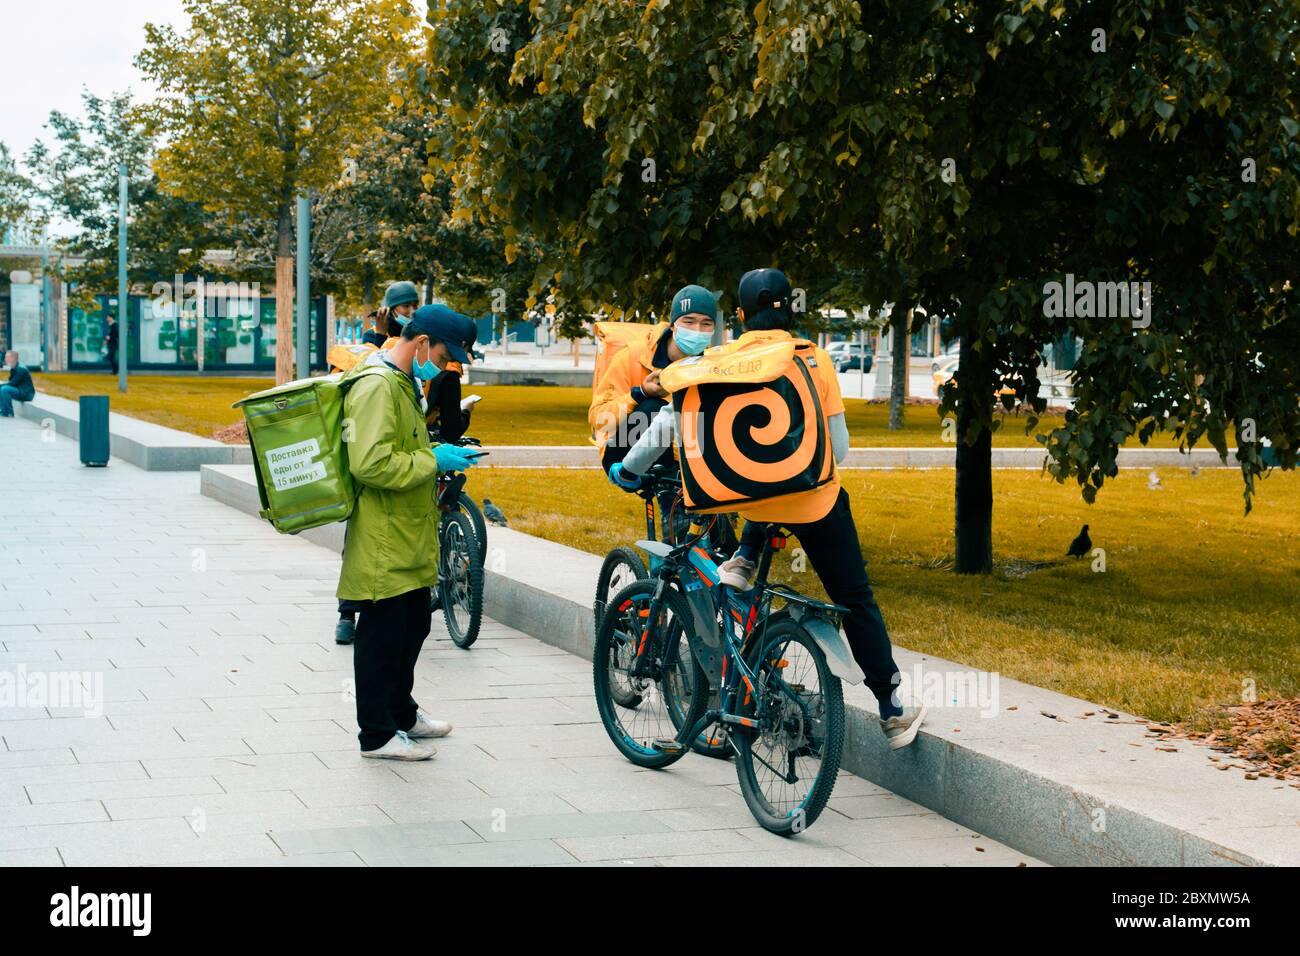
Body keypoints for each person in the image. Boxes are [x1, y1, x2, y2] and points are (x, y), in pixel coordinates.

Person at [609, 268, 927, 750]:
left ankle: (744, 559)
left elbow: (669, 424)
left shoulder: (717, 362)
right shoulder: (813, 359)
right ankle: (892, 709)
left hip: (749, 499)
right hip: (814, 501)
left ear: (738, 316)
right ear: (792, 310)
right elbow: (838, 451)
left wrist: (628, 470)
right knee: (855, 597)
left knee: (756, 489)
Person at [337, 305, 485, 760]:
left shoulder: (403, 382)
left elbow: (399, 445)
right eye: (442, 358)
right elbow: (370, 462)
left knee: (414, 624)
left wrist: (435, 448)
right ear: (421, 344)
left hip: (408, 529)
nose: (441, 368)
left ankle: (401, 714)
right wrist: (433, 461)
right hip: (385, 534)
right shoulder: (377, 386)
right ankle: (377, 734)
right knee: (382, 634)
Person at [592, 284, 719, 541]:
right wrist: (640, 393)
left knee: (721, 541)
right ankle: (678, 530)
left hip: (685, 455)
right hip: (625, 450)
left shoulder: (714, 363)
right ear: (673, 325)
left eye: (706, 324)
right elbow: (599, 419)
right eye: (689, 321)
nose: (697, 330)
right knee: (655, 409)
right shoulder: (632, 356)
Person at [336, 280, 425, 646]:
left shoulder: (422, 342)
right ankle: (347, 611)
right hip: (379, 452)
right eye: (402, 308)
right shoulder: (376, 351)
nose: (408, 313)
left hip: (413, 433)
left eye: (412, 307)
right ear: (389, 310)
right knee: (364, 535)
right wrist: (378, 333)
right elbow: (369, 463)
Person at [0, 351, 36, 417]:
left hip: (26, 394)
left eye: (7, 357)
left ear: (13, 358)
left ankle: (9, 412)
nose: (5, 359)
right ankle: (3, 410)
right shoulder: (13, 368)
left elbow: (13, 383)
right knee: (3, 388)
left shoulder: (21, 369)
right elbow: (11, 382)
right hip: (19, 390)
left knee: (4, 389)